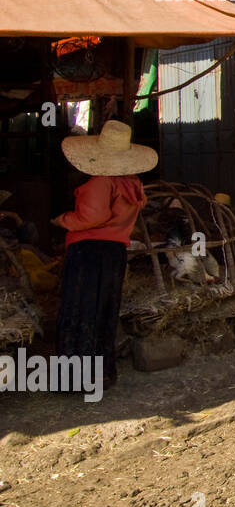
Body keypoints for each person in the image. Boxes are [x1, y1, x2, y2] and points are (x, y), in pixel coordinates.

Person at [52, 120, 154, 391]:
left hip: (89, 254)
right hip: (114, 253)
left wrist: (62, 220)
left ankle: (75, 380)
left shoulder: (101, 182)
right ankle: (102, 374)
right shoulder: (132, 183)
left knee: (82, 312)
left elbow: (91, 217)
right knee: (104, 312)